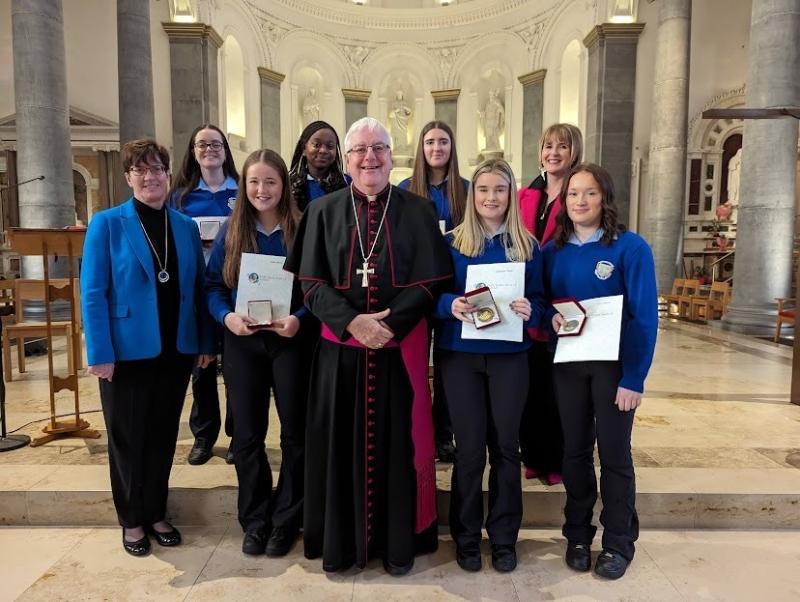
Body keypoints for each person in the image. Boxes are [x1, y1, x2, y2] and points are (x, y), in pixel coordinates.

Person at [285, 117, 452, 575]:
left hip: (398, 356)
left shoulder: (417, 211)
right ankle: (341, 544)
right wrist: (353, 323)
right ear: (348, 158)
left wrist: (388, 326)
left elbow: (431, 282)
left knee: (397, 448)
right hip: (340, 356)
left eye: (379, 148)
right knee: (340, 447)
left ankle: (398, 544)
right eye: (360, 149)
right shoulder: (322, 212)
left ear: (391, 155)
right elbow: (311, 284)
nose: (370, 158)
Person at [81, 138, 214, 557]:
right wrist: (99, 351)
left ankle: (156, 511)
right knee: (127, 438)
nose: (150, 177)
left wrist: (204, 342)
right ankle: (132, 520)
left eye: (157, 169)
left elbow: (197, 290)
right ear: (128, 177)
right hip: (124, 352)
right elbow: (92, 291)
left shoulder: (184, 226)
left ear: (167, 174)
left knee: (160, 436)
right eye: (140, 170)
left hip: (175, 349)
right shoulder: (107, 223)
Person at [545, 163, 657, 580]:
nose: (579, 201)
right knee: (574, 452)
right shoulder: (552, 251)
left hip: (614, 369)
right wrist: (548, 319)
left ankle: (618, 542)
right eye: (573, 194)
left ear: (604, 198)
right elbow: (540, 302)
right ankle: (577, 534)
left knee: (613, 455)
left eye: (589, 193)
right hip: (569, 365)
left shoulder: (630, 248)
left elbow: (644, 317)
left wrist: (634, 377)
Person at [434, 158, 545, 573]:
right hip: (461, 356)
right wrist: (452, 304)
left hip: (509, 358)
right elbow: (433, 298)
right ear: (472, 196)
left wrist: (529, 309)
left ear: (510, 195)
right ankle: (465, 536)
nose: (491, 198)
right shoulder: (452, 245)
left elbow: (543, 304)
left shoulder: (527, 247)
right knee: (468, 451)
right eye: (483, 190)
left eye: (499, 190)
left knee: (505, 448)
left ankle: (502, 539)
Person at [206, 149, 310, 558]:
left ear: (283, 185)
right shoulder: (233, 232)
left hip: (289, 341)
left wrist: (299, 317)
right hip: (243, 343)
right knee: (247, 435)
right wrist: (226, 316)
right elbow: (212, 287)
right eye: (254, 182)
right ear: (243, 186)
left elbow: (317, 288)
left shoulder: (302, 229)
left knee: (294, 434)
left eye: (270, 181)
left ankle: (287, 519)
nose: (261, 190)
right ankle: (254, 520)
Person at [169, 124, 239, 467]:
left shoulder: (241, 191)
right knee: (202, 367)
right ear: (193, 152)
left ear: (226, 150)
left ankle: (239, 435)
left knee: (240, 369)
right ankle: (204, 435)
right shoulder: (180, 197)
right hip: (196, 292)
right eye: (202, 144)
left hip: (236, 290)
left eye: (216, 143)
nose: (209, 149)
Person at [399, 120, 468, 464]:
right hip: (416, 286)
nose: (436, 148)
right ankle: (414, 430)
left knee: (446, 365)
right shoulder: (406, 188)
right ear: (421, 149)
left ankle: (443, 434)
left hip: (455, 286)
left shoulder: (467, 190)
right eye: (430, 142)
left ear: (452, 147)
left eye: (443, 141)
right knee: (412, 364)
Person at [518, 123, 583, 486]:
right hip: (528, 301)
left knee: (560, 391)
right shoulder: (525, 194)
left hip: (562, 297)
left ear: (574, 151)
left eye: (562, 146)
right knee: (531, 386)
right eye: (548, 146)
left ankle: (556, 459)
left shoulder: (579, 191)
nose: (553, 152)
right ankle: (533, 454)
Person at [288, 120, 349, 213]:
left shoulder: (348, 183)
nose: (323, 150)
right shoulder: (288, 184)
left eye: (330, 146)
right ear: (304, 148)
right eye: (316, 145)